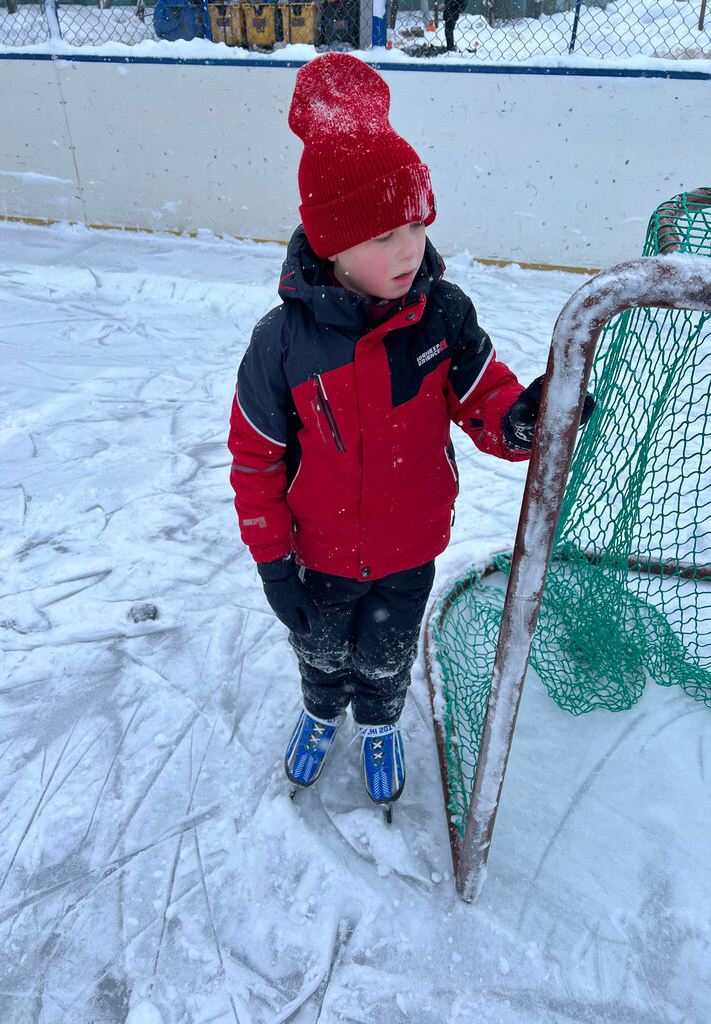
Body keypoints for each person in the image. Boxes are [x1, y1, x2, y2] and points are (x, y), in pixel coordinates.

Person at [228, 53, 548, 813]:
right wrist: (275, 565)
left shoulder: (441, 315)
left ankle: (377, 722)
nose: (409, 250)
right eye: (382, 235)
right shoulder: (282, 344)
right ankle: (319, 708)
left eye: (415, 223)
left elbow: (482, 396)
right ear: (332, 244)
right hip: (323, 554)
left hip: (409, 547)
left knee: (387, 653)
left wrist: (519, 422)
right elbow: (255, 461)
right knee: (321, 649)